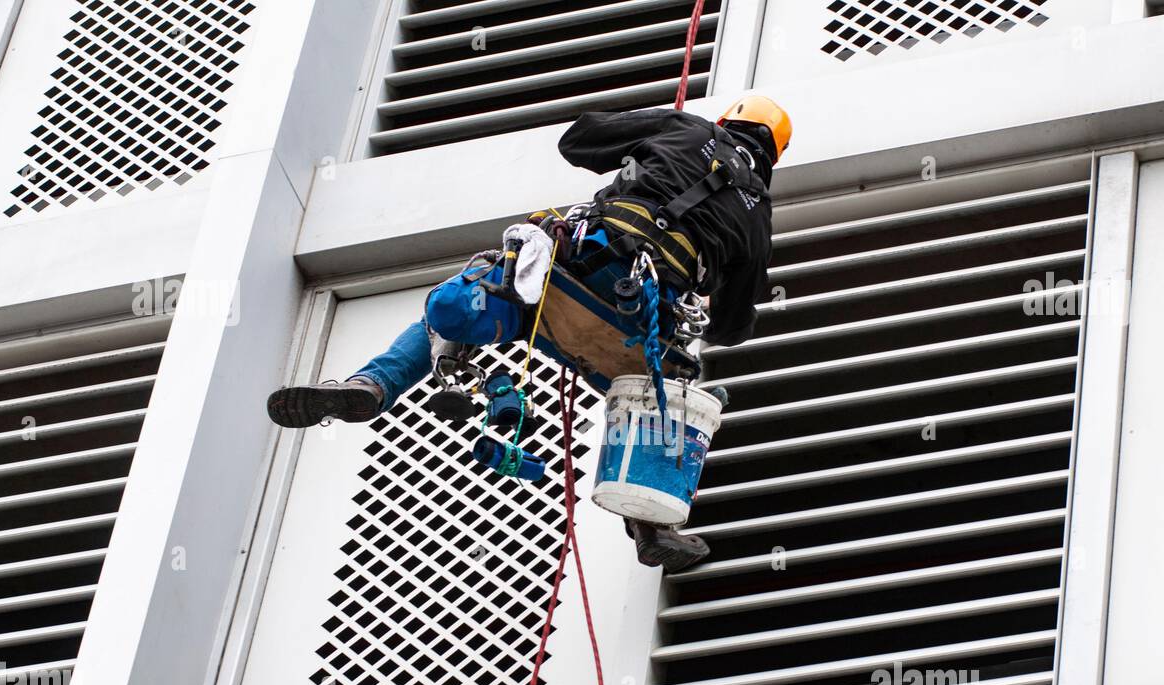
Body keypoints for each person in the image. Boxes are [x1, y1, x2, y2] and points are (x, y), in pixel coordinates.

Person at [267, 95, 792, 570]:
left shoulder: (688, 127)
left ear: (730, 120)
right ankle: (651, 526)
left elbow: (579, 139)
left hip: (569, 282)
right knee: (661, 402)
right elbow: (732, 326)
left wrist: (645, 140)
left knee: (470, 298)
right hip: (634, 330)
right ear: (772, 157)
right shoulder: (758, 215)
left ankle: (370, 387)